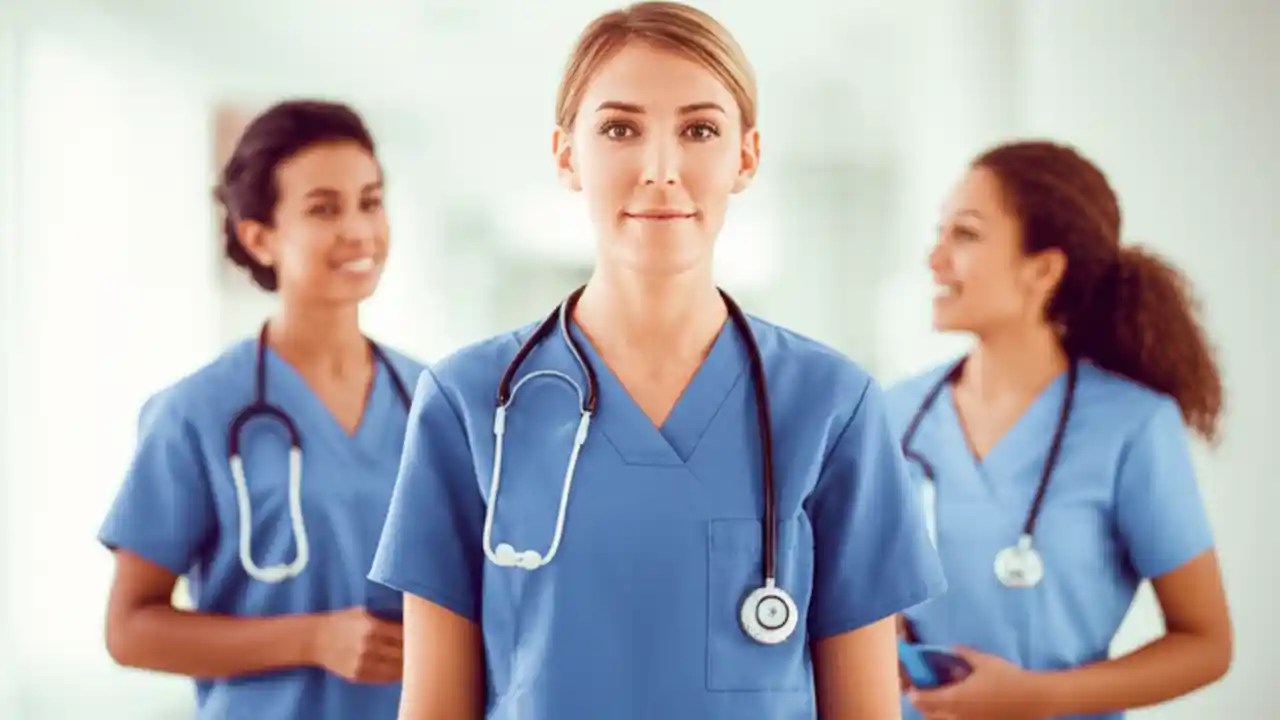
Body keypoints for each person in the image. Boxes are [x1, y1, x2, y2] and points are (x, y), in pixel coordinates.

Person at [368, 2, 946, 718]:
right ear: (565, 154)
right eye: (619, 129)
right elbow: (434, 709)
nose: (661, 168)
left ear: (746, 156)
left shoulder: (831, 404)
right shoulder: (466, 401)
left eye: (700, 130)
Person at [98, 99, 425, 719]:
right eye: (323, 208)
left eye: (371, 201)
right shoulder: (197, 412)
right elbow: (130, 628)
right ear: (260, 236)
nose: (358, 229)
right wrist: (313, 639)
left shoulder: (432, 400)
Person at [888, 140, 1234, 720]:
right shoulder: (893, 414)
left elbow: (1206, 643)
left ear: (1043, 269)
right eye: (939, 232)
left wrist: (1038, 698)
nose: (935, 259)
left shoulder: (1131, 426)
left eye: (965, 235)